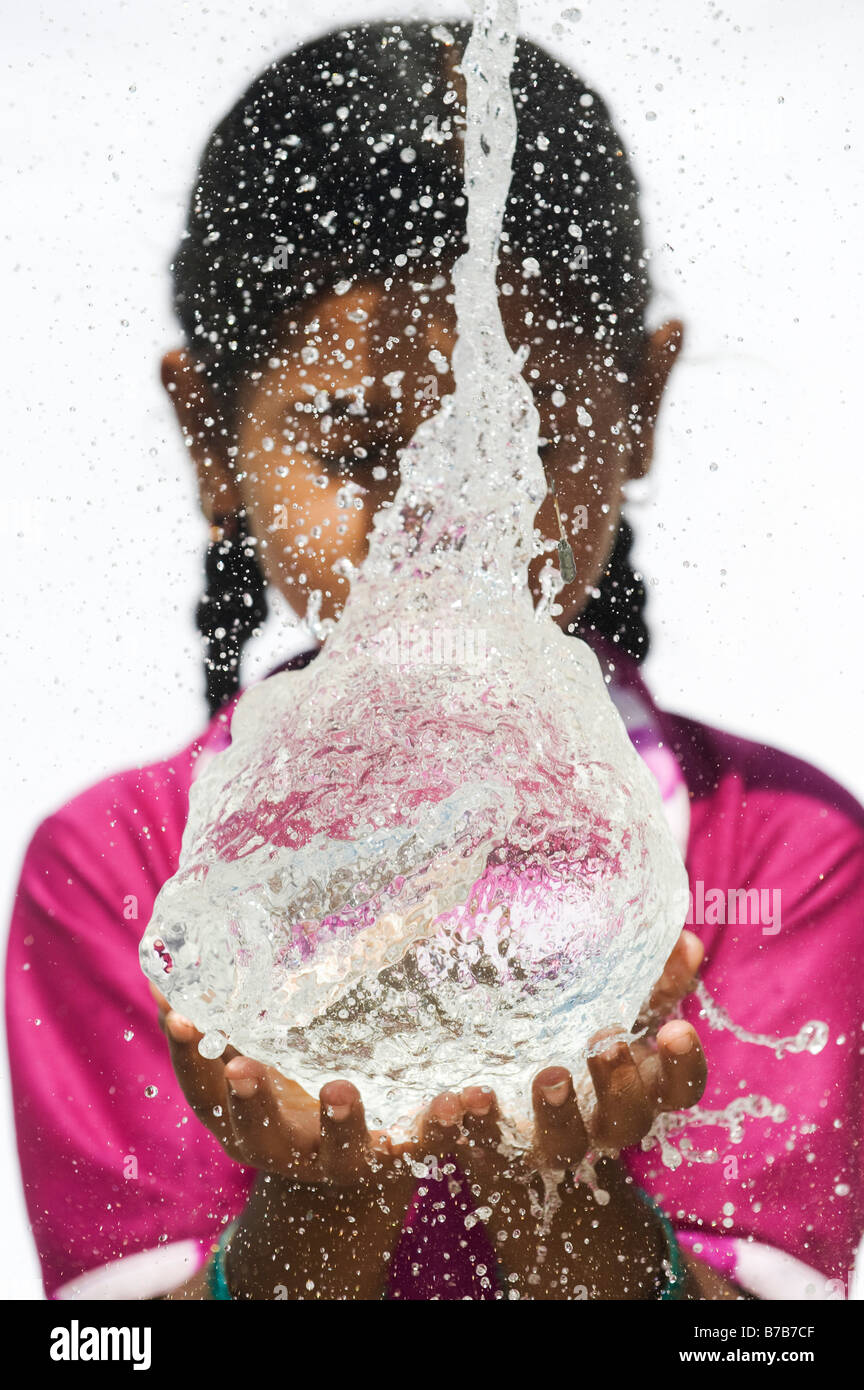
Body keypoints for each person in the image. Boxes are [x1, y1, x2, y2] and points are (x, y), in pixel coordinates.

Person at [6, 20, 863, 1302]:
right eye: (356, 450)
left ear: (636, 411)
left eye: (516, 440)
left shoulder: (778, 857)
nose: (441, 526)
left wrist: (558, 1183)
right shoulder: (121, 876)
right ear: (209, 437)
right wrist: (320, 1200)